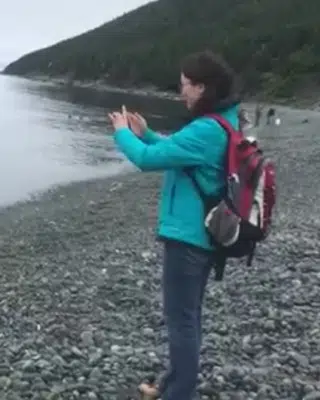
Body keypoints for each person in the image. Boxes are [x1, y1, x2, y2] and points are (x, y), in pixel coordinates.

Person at [108, 50, 240, 400]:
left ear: (202, 87)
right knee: (188, 316)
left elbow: (147, 160)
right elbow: (178, 152)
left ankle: (179, 393)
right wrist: (147, 132)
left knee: (182, 321)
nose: (181, 93)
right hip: (203, 235)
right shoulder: (223, 121)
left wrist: (122, 134)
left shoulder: (207, 129)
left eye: (185, 86)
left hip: (189, 238)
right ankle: (172, 384)